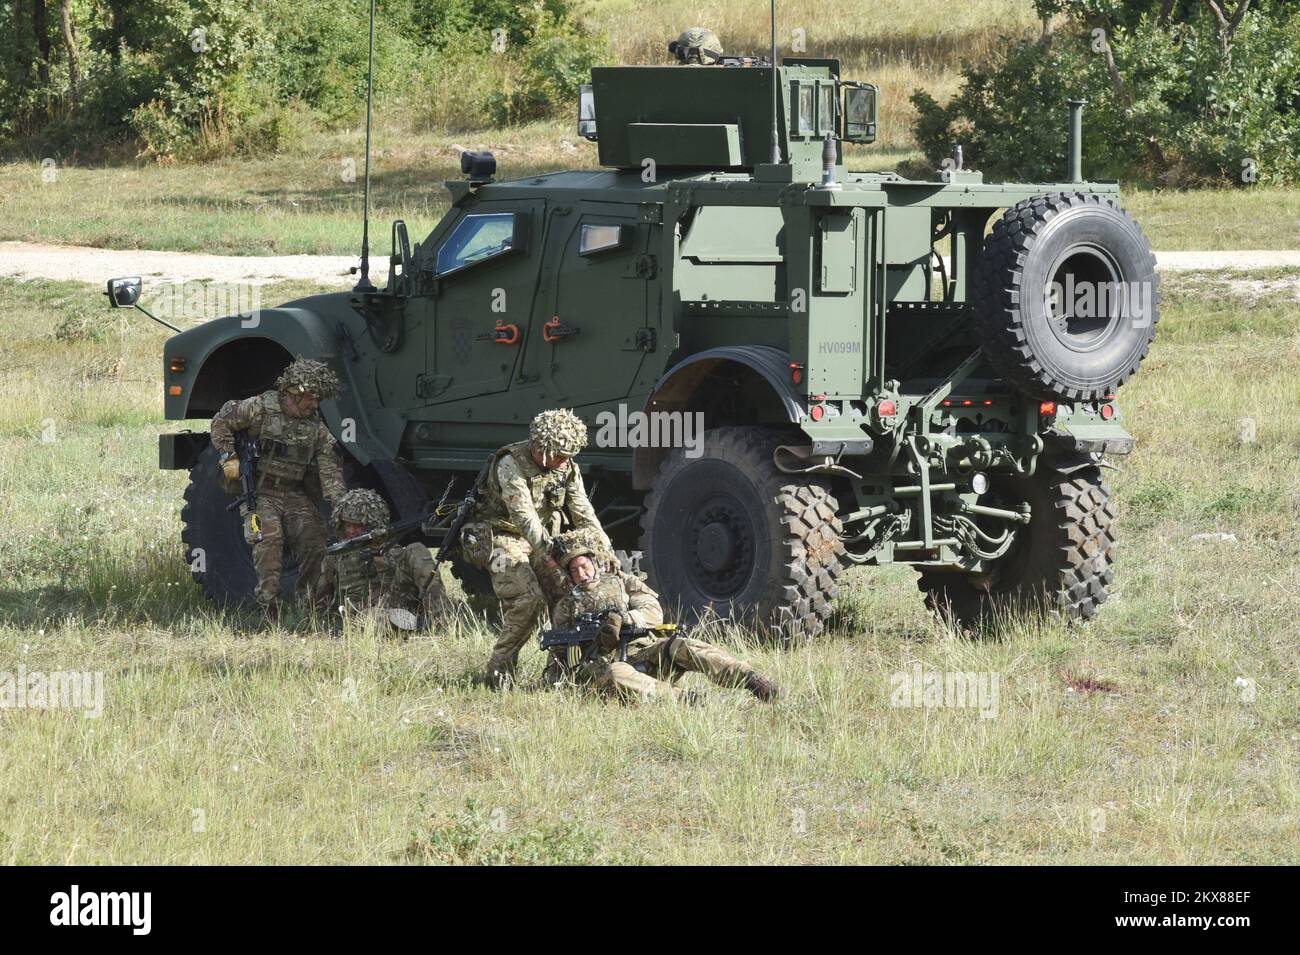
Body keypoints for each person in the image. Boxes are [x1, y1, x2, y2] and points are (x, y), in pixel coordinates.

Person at [458, 409, 610, 686]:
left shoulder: (566, 466)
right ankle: (498, 673)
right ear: (541, 448)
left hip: (541, 539)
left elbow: (583, 511)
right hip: (501, 537)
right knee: (528, 599)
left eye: (570, 456)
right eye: (561, 456)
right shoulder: (510, 464)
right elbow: (523, 516)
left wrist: (605, 551)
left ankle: (559, 672)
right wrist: (552, 557)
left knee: (570, 593)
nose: (566, 462)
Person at [546, 530, 784, 703]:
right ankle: (687, 701)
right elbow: (558, 652)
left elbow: (653, 611)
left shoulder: (622, 582)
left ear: (594, 563)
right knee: (617, 672)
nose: (582, 573)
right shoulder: (567, 607)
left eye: (584, 565)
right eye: (574, 570)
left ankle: (752, 680)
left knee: (684, 646)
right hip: (609, 670)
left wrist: (627, 619)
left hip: (645, 653)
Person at [210, 357, 345, 613]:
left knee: (315, 541)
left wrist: (340, 503)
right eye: (312, 398)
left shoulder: (316, 427)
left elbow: (330, 471)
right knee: (268, 541)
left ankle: (311, 607)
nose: (315, 404)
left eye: (319, 399)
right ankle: (269, 605)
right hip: (261, 492)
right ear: (295, 392)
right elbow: (221, 421)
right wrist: (229, 456)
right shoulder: (260, 408)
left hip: (293, 494)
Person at [315, 488, 448, 630]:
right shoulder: (335, 557)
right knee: (376, 619)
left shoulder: (390, 549)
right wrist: (336, 627)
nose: (352, 531)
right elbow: (322, 606)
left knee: (416, 548)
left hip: (396, 605)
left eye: (358, 526)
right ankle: (416, 625)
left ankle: (441, 617)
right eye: (348, 525)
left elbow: (395, 584)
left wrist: (378, 553)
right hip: (364, 617)